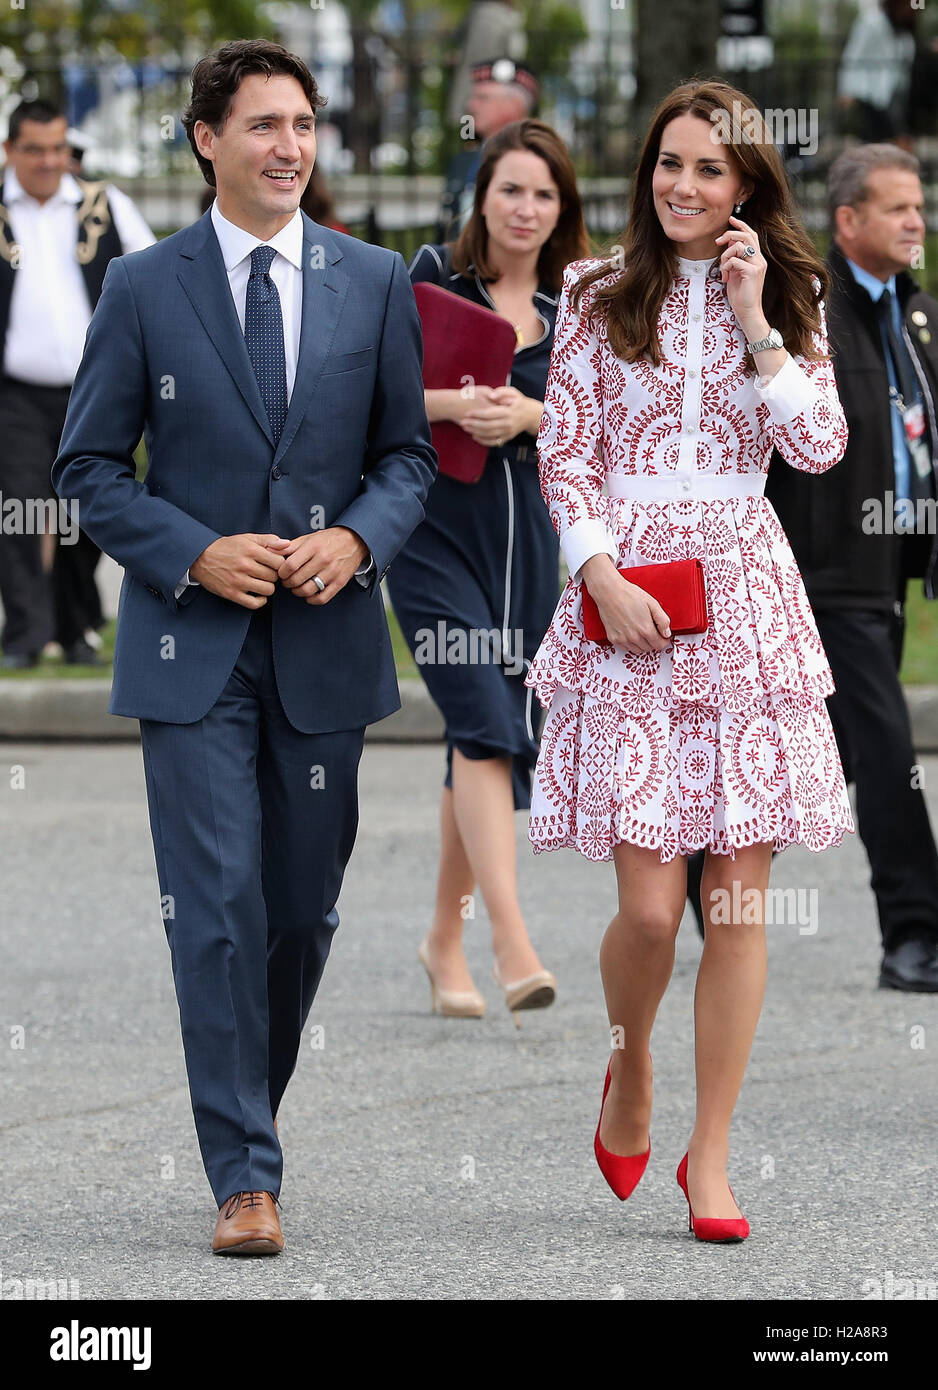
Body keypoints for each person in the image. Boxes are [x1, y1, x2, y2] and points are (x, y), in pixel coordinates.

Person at [52, 39, 436, 1256]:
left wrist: (361, 544)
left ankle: (239, 1117)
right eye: (263, 123)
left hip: (324, 647)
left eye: (303, 124)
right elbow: (87, 471)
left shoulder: (371, 279)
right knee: (213, 908)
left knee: (299, 916)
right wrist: (192, 550)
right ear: (206, 139)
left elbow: (407, 460)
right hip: (191, 649)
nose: (288, 145)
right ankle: (244, 1174)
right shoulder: (142, 288)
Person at [525, 80, 853, 1241]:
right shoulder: (590, 289)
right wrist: (598, 575)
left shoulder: (789, 292)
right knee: (652, 914)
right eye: (668, 163)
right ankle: (632, 1063)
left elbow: (815, 447)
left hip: (746, 604)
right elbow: (563, 456)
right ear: (644, 170)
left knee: (734, 903)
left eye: (709, 170)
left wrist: (760, 316)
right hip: (628, 604)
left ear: (746, 187)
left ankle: (707, 1157)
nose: (682, 186)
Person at [391, 119, 589, 1023]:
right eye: (511, 188)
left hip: (527, 559)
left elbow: (603, 429)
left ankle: (441, 939)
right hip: (433, 538)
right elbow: (370, 396)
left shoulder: (575, 312)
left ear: (562, 211)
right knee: (485, 721)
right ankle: (512, 939)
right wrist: (458, 404)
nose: (526, 208)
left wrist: (534, 417)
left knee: (481, 741)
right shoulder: (433, 280)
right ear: (483, 197)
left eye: (544, 194)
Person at [766, 144, 938, 994]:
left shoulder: (914, 313)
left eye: (919, 207)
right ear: (847, 221)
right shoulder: (806, 308)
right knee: (886, 747)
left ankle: (693, 874)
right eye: (898, 208)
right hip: (823, 568)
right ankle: (915, 936)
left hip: (890, 565)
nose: (917, 221)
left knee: (821, 752)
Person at [0, 98, 155, 669]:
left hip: (94, 392)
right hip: (13, 390)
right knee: (18, 505)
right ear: (9, 151)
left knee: (83, 513)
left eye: (58, 149)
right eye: (35, 150)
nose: (48, 161)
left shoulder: (104, 205)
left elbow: (152, 275)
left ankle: (73, 627)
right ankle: (23, 634)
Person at [436, 59, 539, 243]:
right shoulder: (464, 161)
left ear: (513, 105)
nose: (471, 106)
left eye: (482, 98)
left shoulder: (541, 162)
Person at [837, 0, 918, 148]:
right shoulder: (871, 21)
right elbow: (853, 54)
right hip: (871, 92)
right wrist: (846, 90)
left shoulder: (903, 28)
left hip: (895, 92)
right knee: (875, 139)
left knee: (891, 138)